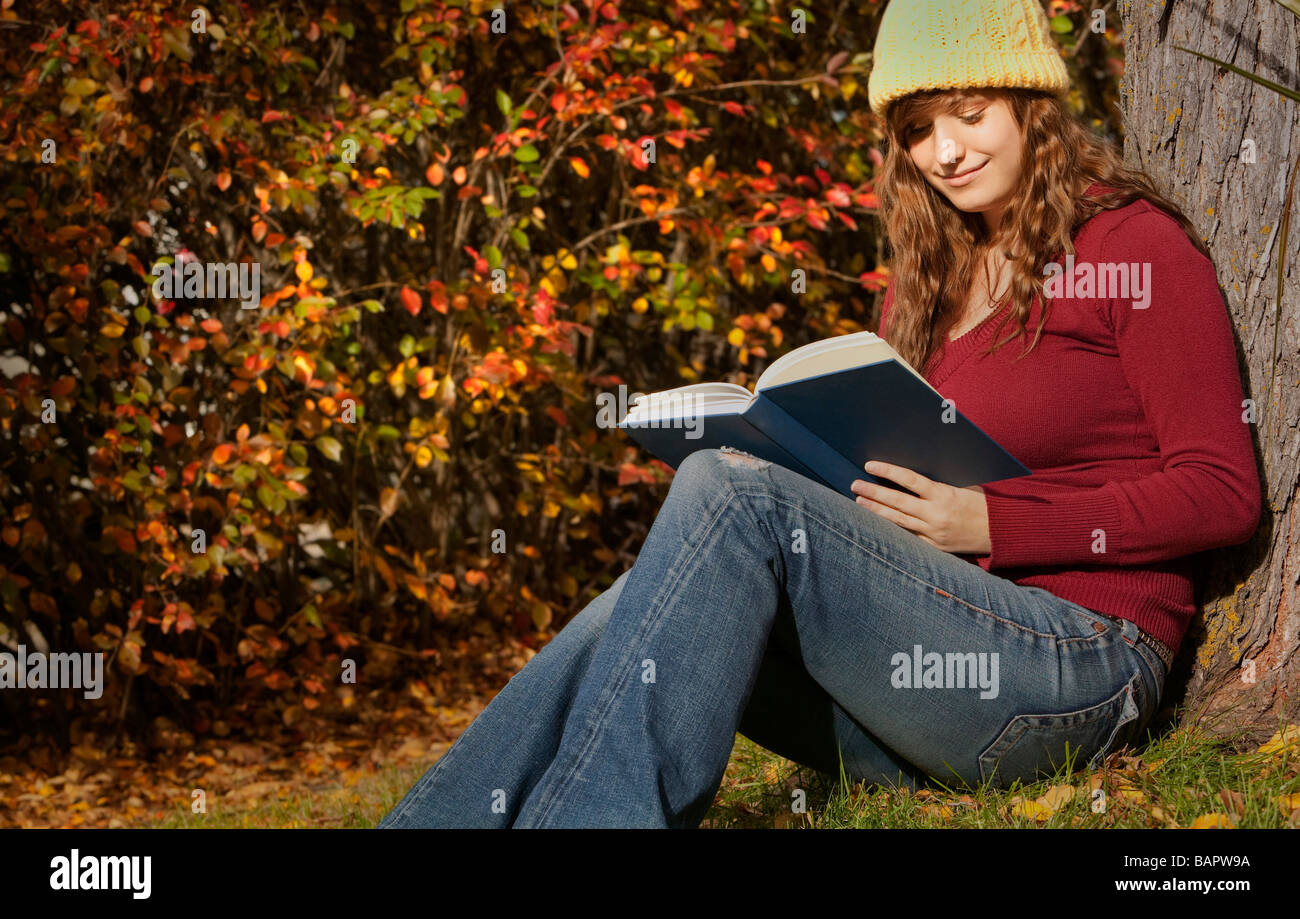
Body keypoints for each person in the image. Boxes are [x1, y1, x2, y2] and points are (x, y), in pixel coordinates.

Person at [378, 0, 1261, 829]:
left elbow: (1222, 490)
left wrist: (993, 520)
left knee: (731, 495)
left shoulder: (1130, 245)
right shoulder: (926, 286)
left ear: (1031, 102)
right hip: (931, 676)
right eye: (917, 131)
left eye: (969, 112)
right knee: (654, 594)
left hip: (1077, 666)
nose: (944, 151)